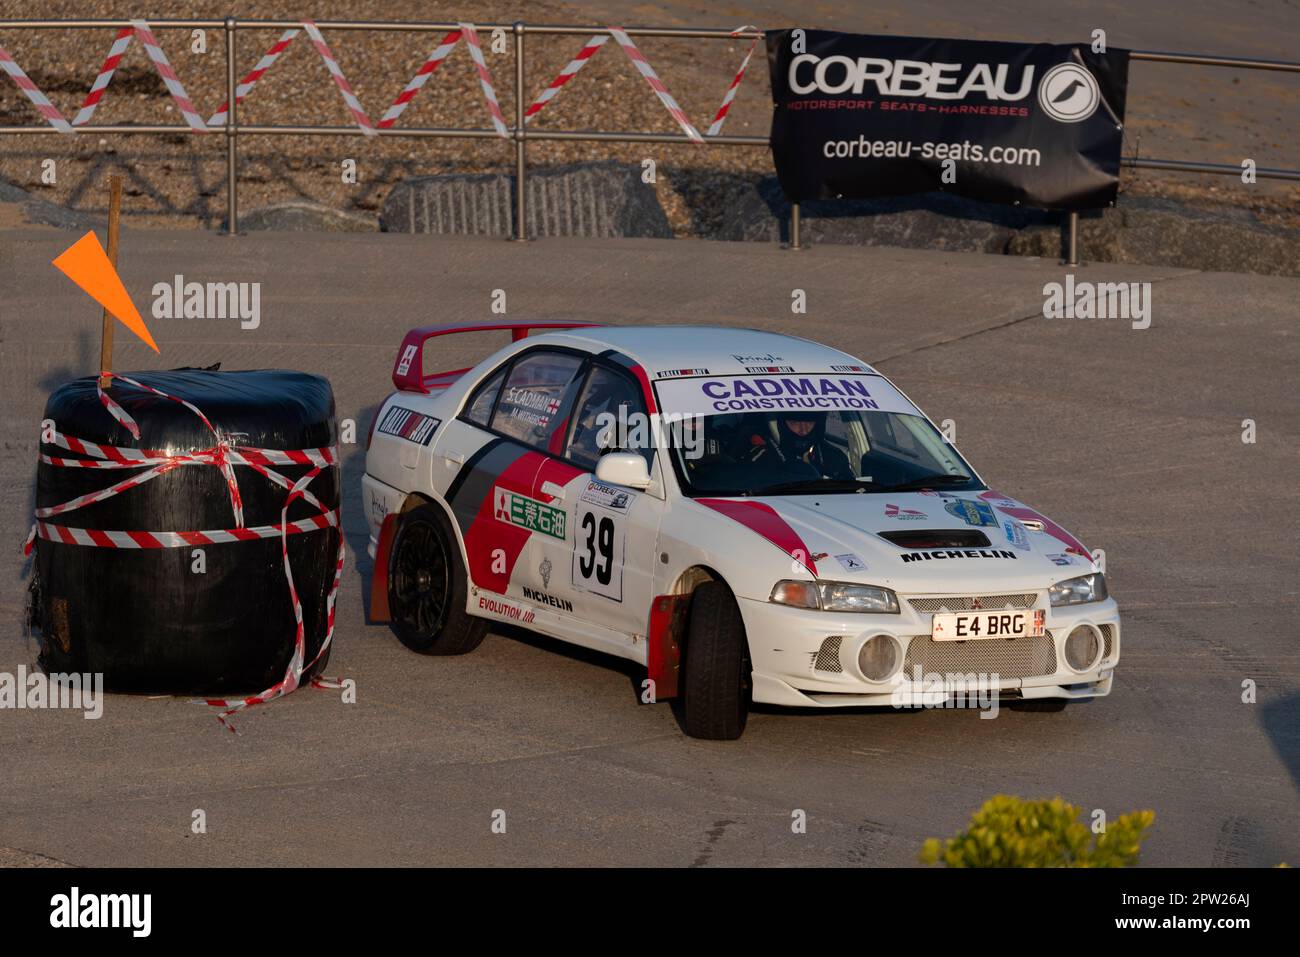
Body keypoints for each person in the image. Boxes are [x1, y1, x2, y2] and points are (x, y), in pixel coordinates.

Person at [735, 412, 854, 479]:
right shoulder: (762, 457)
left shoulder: (835, 457)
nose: (803, 429)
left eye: (809, 422)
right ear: (782, 424)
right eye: (795, 422)